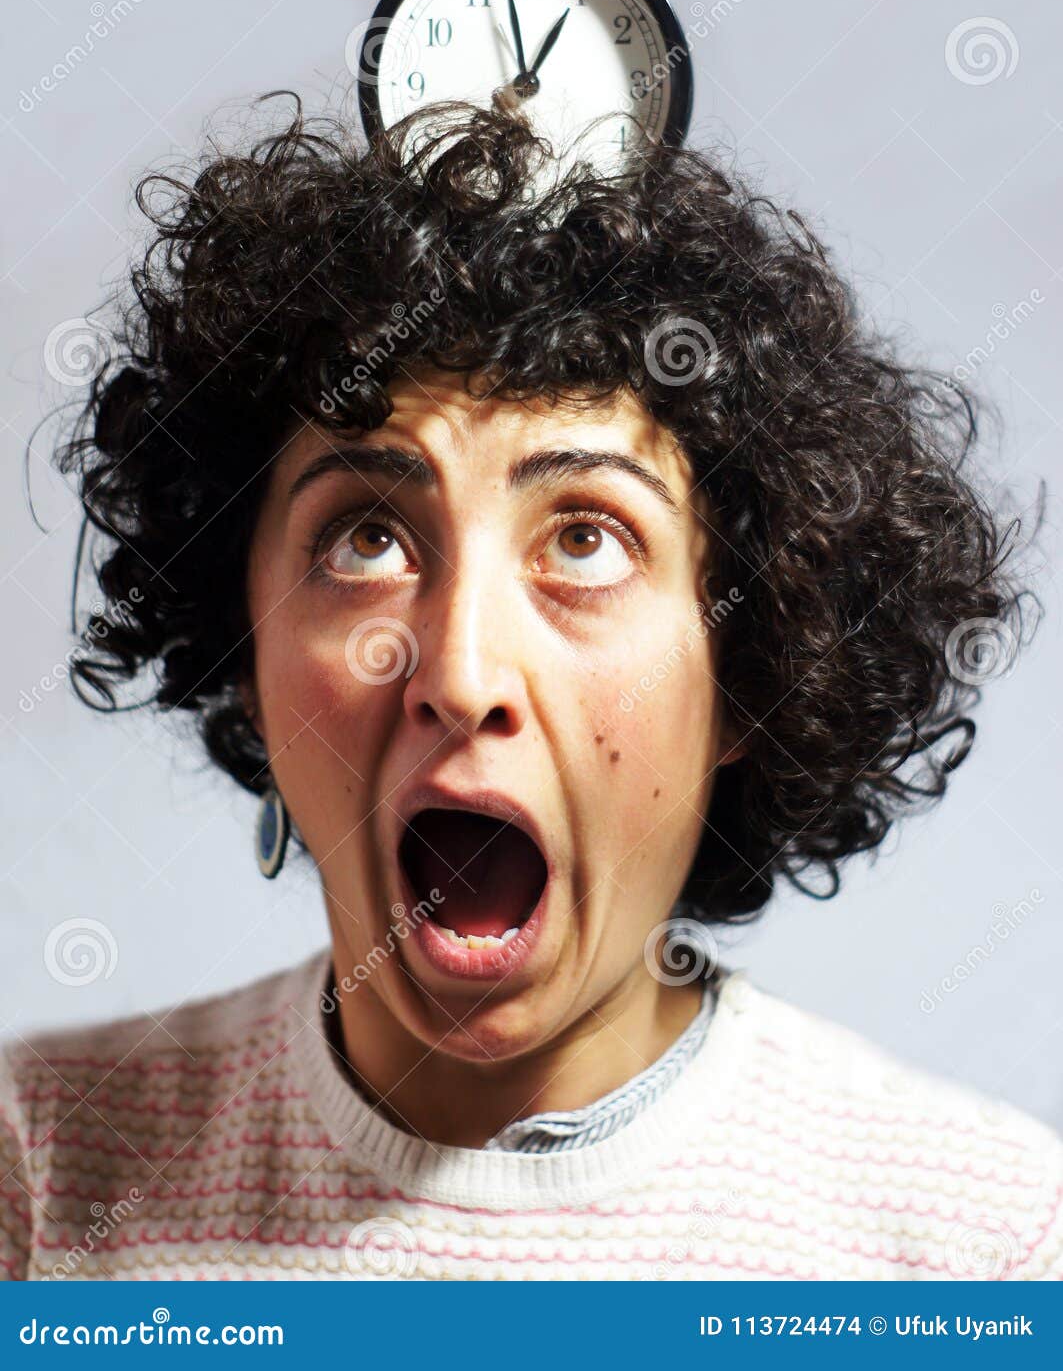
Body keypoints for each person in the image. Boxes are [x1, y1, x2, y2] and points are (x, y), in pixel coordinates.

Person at [2, 98, 1059, 1281]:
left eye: (588, 540)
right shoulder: (42, 1177)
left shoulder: (985, 1248)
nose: (459, 675)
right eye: (363, 540)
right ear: (240, 649)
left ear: (745, 676)